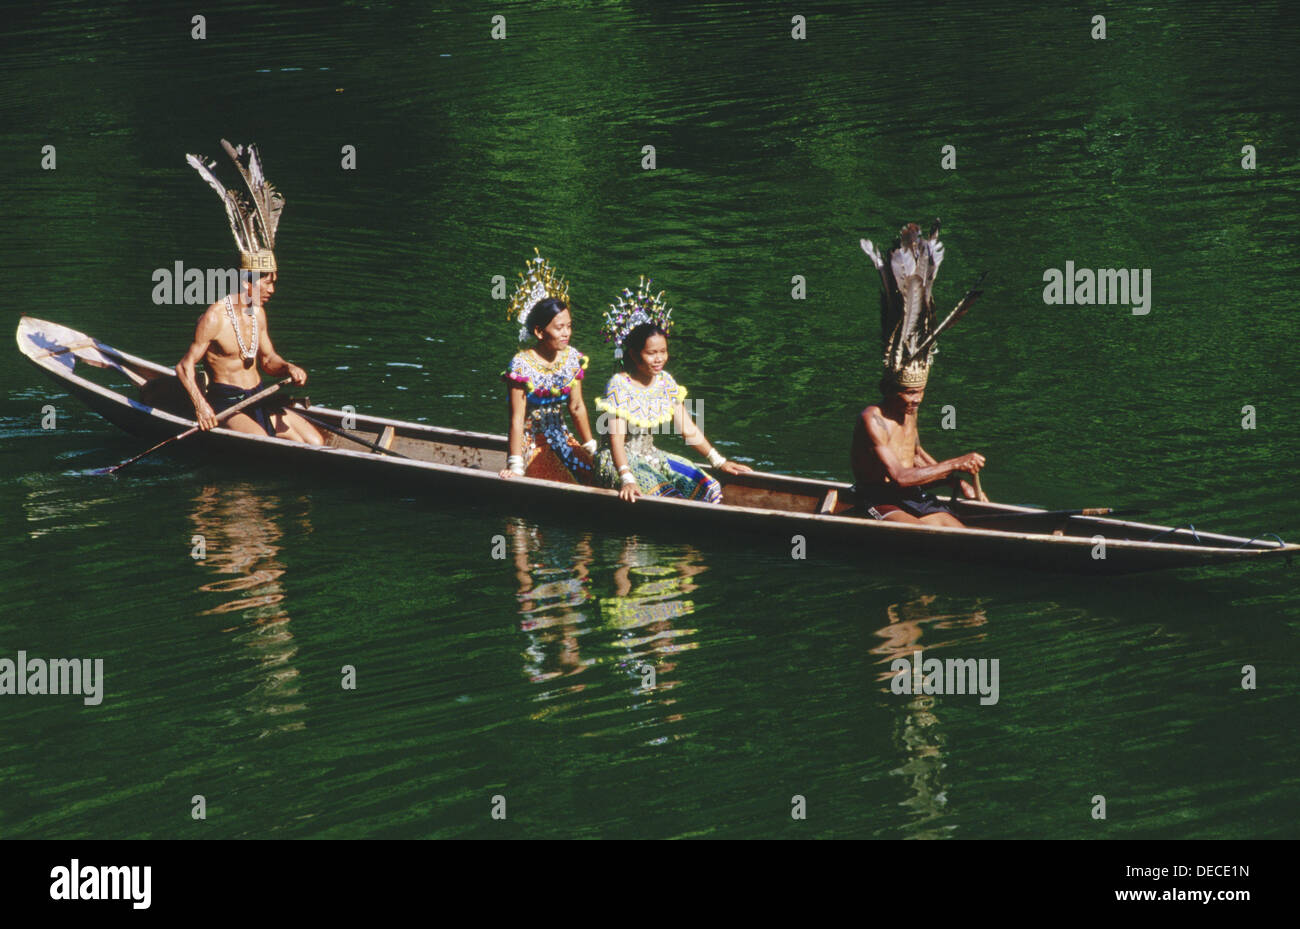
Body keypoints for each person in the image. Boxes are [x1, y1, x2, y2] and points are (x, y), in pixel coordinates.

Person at [175, 140, 323, 445]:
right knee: (268, 446)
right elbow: (184, 366)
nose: (272, 289)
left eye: (274, 282)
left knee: (316, 442)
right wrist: (201, 406)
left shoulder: (258, 314)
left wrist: (289, 367)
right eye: (267, 282)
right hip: (228, 405)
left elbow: (268, 360)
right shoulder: (216, 316)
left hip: (259, 397)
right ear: (247, 282)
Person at [855, 220, 987, 525]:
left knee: (953, 527)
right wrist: (955, 463)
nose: (916, 400)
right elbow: (899, 476)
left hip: (910, 495)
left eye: (920, 392)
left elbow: (914, 455)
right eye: (909, 393)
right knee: (924, 533)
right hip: (877, 498)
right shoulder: (871, 420)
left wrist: (953, 479)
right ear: (889, 390)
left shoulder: (910, 412)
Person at [594, 277, 751, 503]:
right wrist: (626, 477)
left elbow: (687, 428)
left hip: (652, 456)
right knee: (667, 497)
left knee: (711, 488)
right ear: (634, 354)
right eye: (651, 353)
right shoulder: (619, 385)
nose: (659, 359)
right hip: (618, 462)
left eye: (663, 352)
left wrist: (719, 461)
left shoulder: (666, 381)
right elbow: (616, 439)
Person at [498, 251, 597, 482]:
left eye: (569, 326)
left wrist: (590, 448)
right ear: (539, 332)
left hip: (563, 438)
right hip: (530, 445)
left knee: (600, 476)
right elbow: (516, 419)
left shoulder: (572, 358)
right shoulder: (521, 365)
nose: (566, 333)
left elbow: (577, 407)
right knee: (567, 483)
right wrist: (515, 465)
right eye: (559, 327)